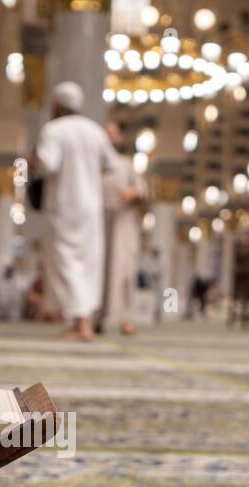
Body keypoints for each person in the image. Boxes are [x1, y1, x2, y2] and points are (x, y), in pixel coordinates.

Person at [30, 81, 119, 341]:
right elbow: (110, 163)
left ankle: (81, 323)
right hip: (91, 206)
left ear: (57, 105)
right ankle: (82, 320)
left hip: (64, 204)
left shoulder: (53, 130)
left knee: (66, 261)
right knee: (88, 262)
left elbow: (47, 164)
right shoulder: (95, 131)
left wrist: (30, 161)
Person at [99, 123, 146, 336]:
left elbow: (142, 191)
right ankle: (96, 317)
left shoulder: (126, 164)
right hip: (99, 225)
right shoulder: (95, 164)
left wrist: (131, 193)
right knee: (98, 272)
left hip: (123, 226)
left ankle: (126, 318)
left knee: (124, 272)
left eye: (113, 134)